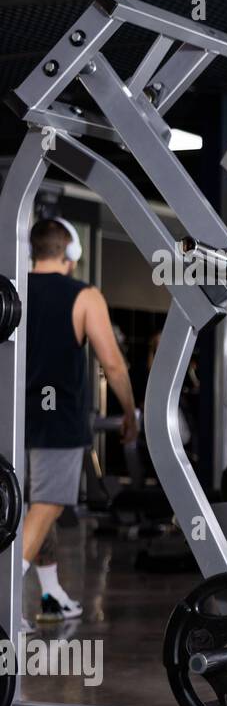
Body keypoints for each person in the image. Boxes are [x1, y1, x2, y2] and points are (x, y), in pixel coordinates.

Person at [23, 218, 138, 624]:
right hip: (58, 419)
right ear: (71, 254)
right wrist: (129, 411)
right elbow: (112, 363)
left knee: (32, 509)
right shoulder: (84, 296)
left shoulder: (12, 289)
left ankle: (51, 595)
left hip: (14, 418)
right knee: (48, 504)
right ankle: (4, 592)